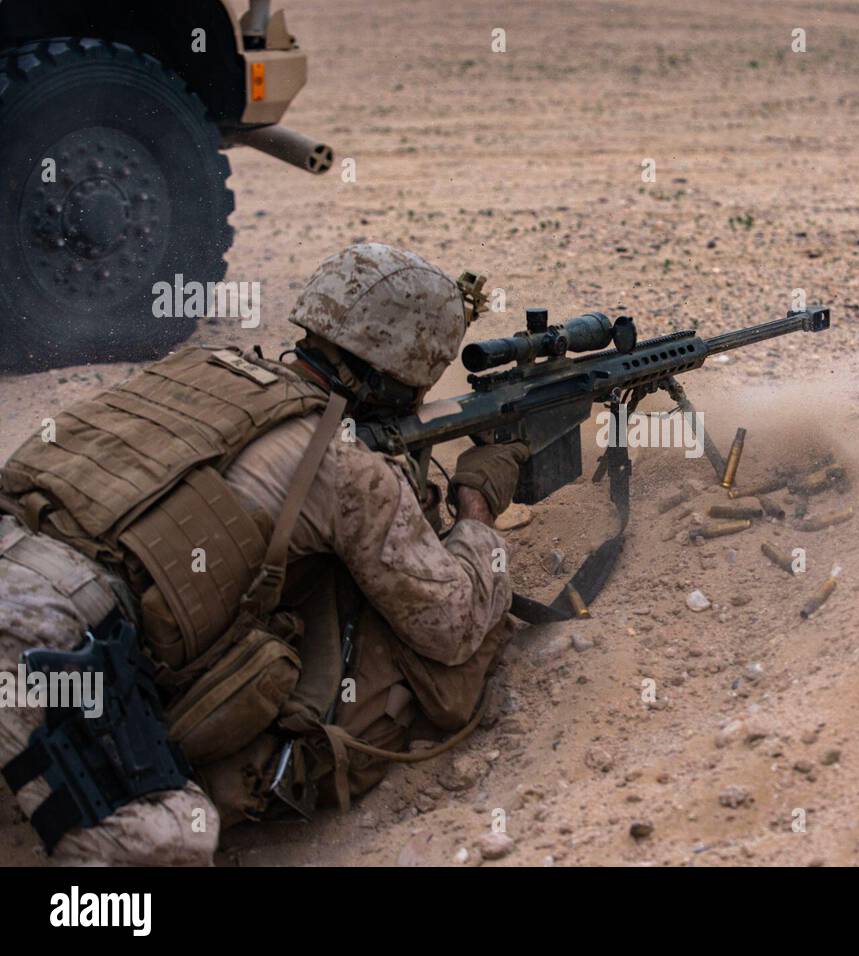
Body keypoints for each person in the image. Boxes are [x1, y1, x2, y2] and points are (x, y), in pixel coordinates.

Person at [0, 243, 527, 865]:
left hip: (20, 547)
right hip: (46, 633)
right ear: (408, 374)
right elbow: (452, 626)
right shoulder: (344, 465)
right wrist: (476, 507)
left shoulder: (200, 367)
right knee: (171, 841)